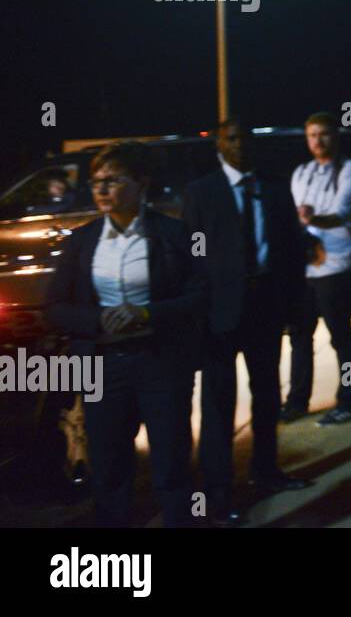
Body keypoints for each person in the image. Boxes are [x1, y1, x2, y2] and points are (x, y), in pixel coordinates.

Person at [45, 141, 203, 527]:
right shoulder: (81, 241)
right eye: (96, 181)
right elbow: (54, 308)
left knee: (170, 460)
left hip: (160, 361)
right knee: (109, 465)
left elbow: (201, 295)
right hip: (103, 366)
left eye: (113, 180)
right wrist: (98, 319)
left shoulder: (172, 233)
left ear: (141, 183)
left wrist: (147, 312)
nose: (100, 189)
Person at [183, 118, 312, 526]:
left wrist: (295, 308)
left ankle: (267, 471)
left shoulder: (274, 189)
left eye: (245, 138)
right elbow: (194, 255)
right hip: (220, 314)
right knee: (219, 403)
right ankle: (218, 492)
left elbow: (291, 252)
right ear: (219, 146)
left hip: (265, 306)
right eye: (231, 138)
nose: (239, 145)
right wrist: (199, 310)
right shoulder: (201, 193)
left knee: (267, 393)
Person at [286, 112, 351, 426]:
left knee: (340, 336)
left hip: (338, 266)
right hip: (306, 269)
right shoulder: (301, 173)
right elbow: (294, 217)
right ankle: (297, 400)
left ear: (336, 136)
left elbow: (343, 213)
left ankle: (350, 399)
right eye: (312, 135)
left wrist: (312, 219)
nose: (318, 141)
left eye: (324, 134)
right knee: (299, 337)